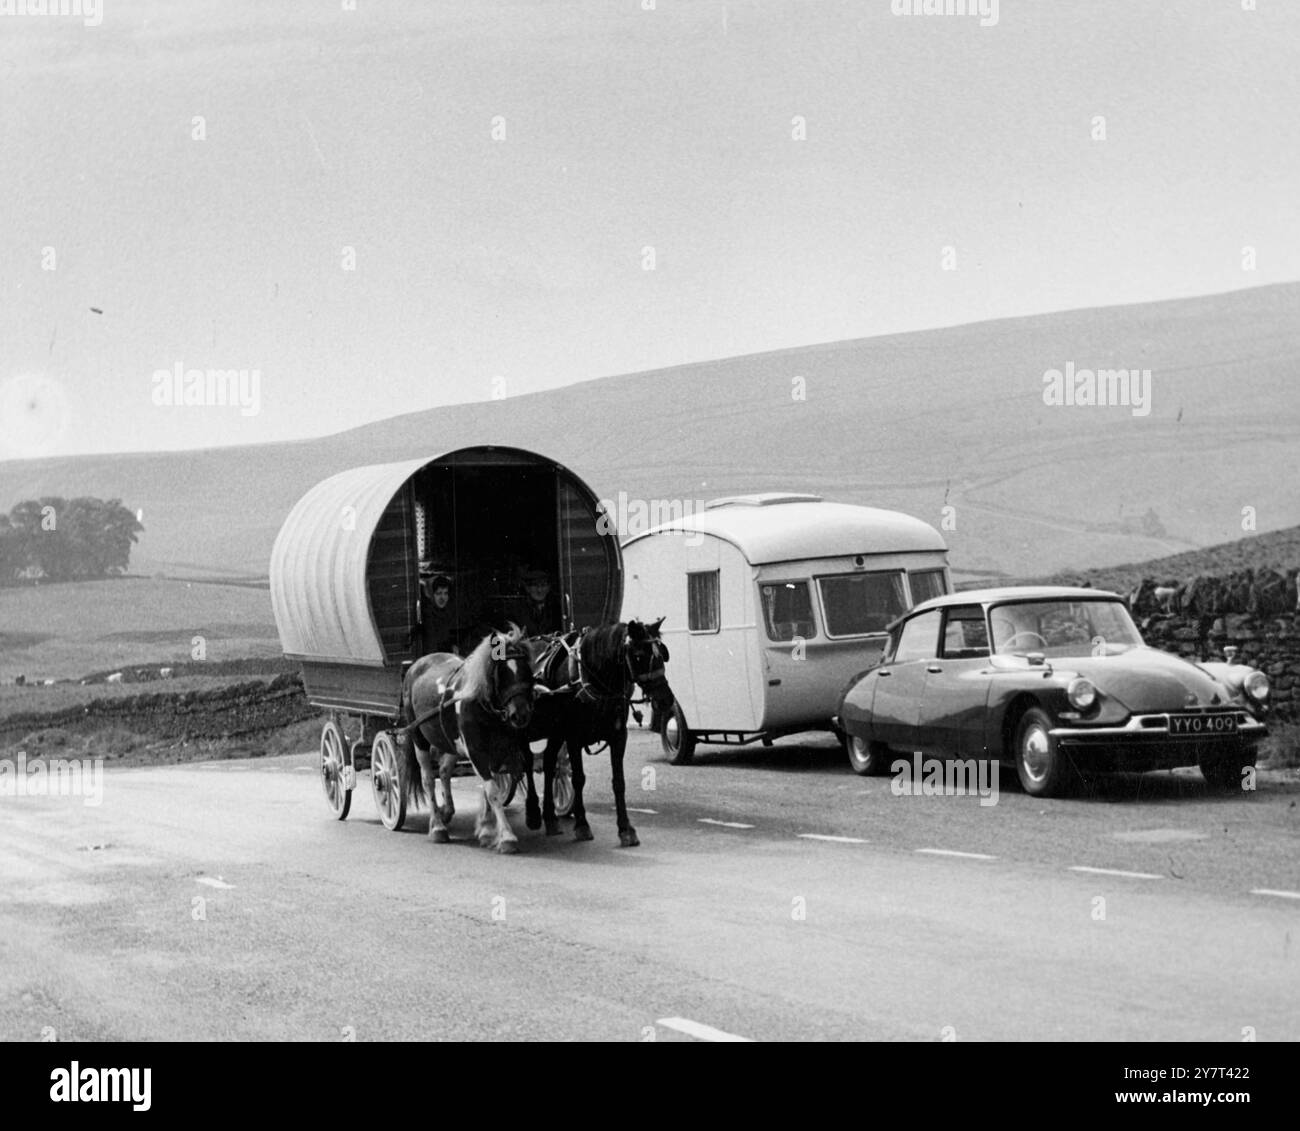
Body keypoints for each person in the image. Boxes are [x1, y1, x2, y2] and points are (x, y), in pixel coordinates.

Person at [506, 567, 562, 636]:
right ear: (527, 588)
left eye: (543, 585)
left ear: (548, 588)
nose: (539, 590)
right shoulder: (517, 610)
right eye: (535, 585)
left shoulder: (556, 609)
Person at [421, 574, 460, 655]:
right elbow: (431, 649)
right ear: (431, 594)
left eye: (446, 593)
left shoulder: (445, 613)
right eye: (438, 593)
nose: (443, 597)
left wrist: (452, 646)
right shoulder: (428, 615)